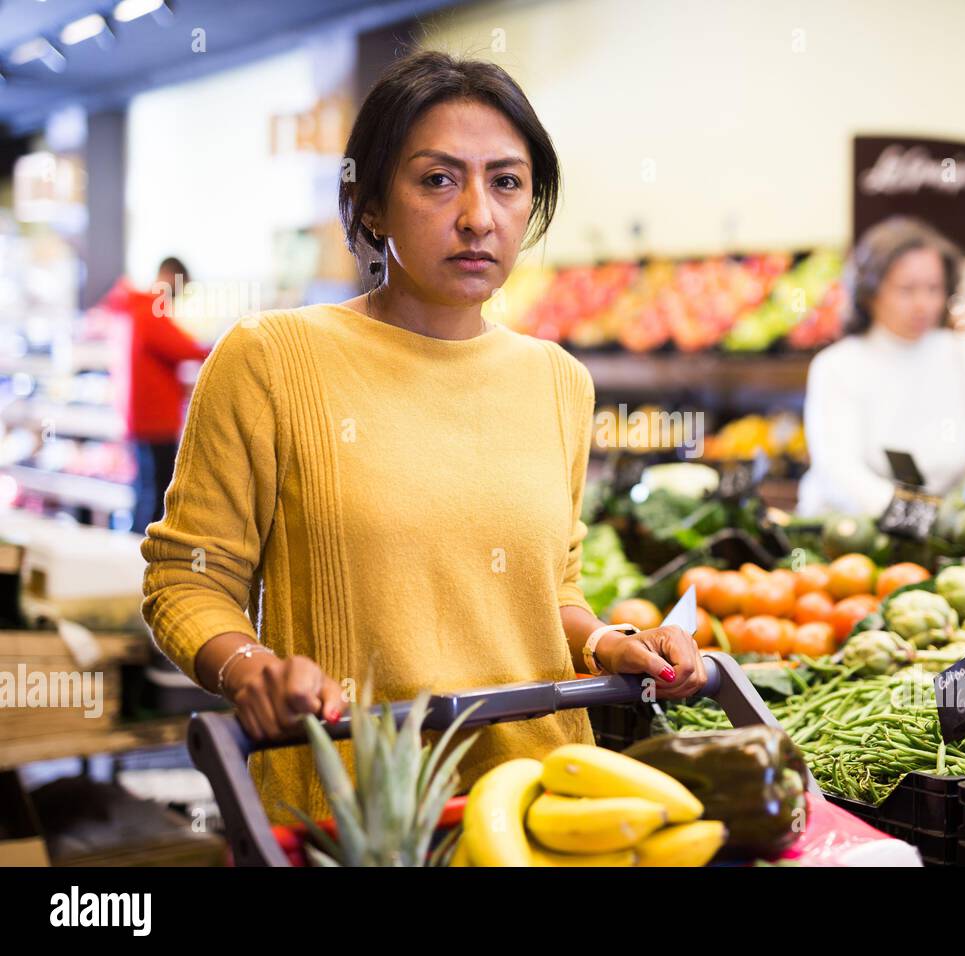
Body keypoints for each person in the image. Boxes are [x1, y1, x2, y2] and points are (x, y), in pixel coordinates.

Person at [140, 51, 707, 824]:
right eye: (438, 179)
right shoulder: (269, 359)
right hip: (354, 808)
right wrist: (251, 668)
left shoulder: (557, 379)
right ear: (372, 204)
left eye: (506, 182)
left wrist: (611, 641)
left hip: (540, 802)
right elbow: (186, 578)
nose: (478, 215)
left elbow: (550, 595)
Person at [798, 217, 965, 517]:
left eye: (934, 288)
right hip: (853, 533)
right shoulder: (836, 366)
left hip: (946, 532)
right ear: (870, 292)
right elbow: (838, 470)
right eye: (907, 290)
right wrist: (917, 518)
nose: (923, 304)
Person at [98, 257, 209, 533]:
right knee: (156, 495)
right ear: (171, 277)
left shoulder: (131, 309)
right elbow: (186, 349)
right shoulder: (149, 311)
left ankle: (133, 559)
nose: (178, 296)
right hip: (154, 421)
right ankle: (139, 563)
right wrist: (228, 346)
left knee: (146, 490)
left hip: (138, 418)